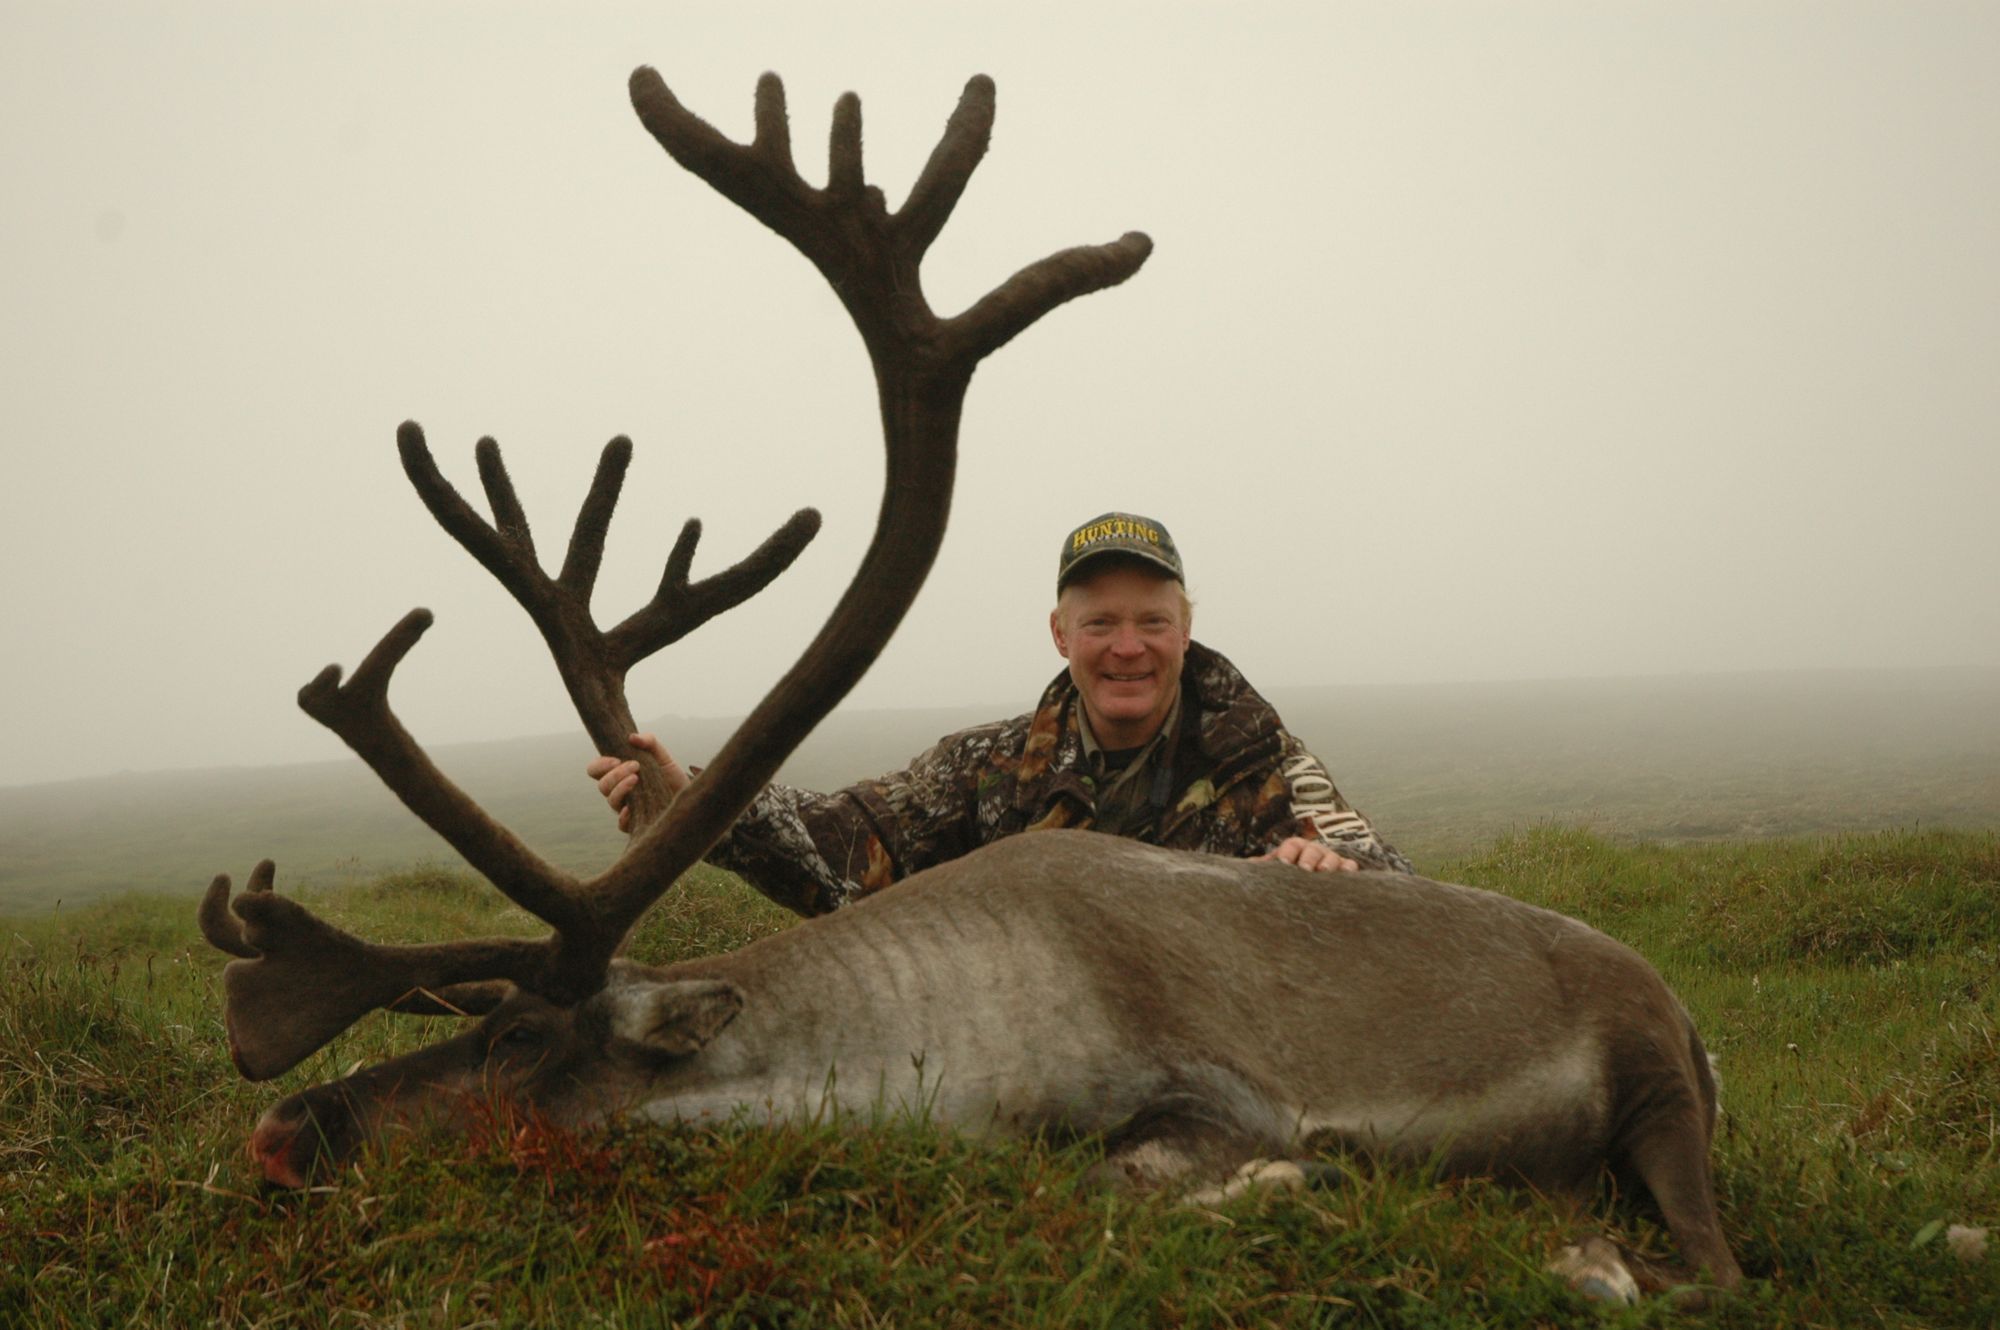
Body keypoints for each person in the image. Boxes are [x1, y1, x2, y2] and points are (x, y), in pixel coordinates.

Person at [589, 511, 1410, 917]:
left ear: (1186, 631)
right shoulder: (986, 768)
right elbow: (849, 846)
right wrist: (695, 801)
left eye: (1152, 622)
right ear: (1062, 635)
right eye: (1101, 624)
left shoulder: (1258, 760)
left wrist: (1336, 871)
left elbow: (1379, 869)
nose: (1129, 648)